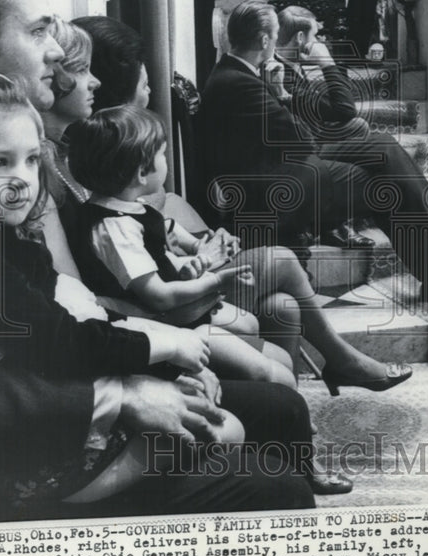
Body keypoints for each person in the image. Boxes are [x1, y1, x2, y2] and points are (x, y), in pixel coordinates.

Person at [0, 0, 321, 524]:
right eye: (38, 31)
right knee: (268, 476)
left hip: (79, 368)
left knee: (272, 408)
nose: (58, 53)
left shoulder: (5, 170)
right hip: (5, 454)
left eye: (30, 160)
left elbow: (59, 302)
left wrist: (152, 359)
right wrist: (128, 385)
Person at [0, 72, 250, 514]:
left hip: (50, 401)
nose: (23, 179)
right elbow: (62, 342)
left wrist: (163, 361)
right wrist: (166, 346)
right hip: (28, 448)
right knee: (225, 431)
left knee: (220, 422)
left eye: (32, 160)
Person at [67, 14, 418, 395]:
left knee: (284, 306)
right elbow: (130, 268)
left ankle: (289, 411)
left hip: (186, 272)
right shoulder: (111, 163)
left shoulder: (113, 160)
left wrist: (197, 244)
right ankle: (341, 360)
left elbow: (160, 220)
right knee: (285, 255)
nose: (150, 93)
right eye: (145, 84)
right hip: (167, 306)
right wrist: (201, 262)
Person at [199, 0, 428, 304]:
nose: (275, 42)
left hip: (286, 166)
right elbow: (302, 139)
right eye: (273, 36)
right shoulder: (241, 83)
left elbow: (309, 128)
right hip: (283, 182)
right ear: (263, 40)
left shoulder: (236, 74)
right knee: (386, 185)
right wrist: (281, 95)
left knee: (383, 146)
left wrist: (284, 96)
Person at [66, 104, 298, 388]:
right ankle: (276, 402)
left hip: (186, 314)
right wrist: (215, 280)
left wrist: (199, 252)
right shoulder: (115, 228)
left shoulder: (132, 208)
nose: (166, 160)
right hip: (171, 325)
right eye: (162, 154)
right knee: (273, 372)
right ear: (141, 172)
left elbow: (163, 239)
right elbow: (159, 298)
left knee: (275, 351)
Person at [275, 5, 375, 250]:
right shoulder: (281, 73)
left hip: (312, 135)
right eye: (316, 36)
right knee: (359, 130)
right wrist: (327, 63)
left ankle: (338, 219)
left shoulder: (292, 65)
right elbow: (345, 109)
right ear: (300, 38)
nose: (319, 42)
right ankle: (332, 224)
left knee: (358, 127)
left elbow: (337, 109)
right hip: (298, 152)